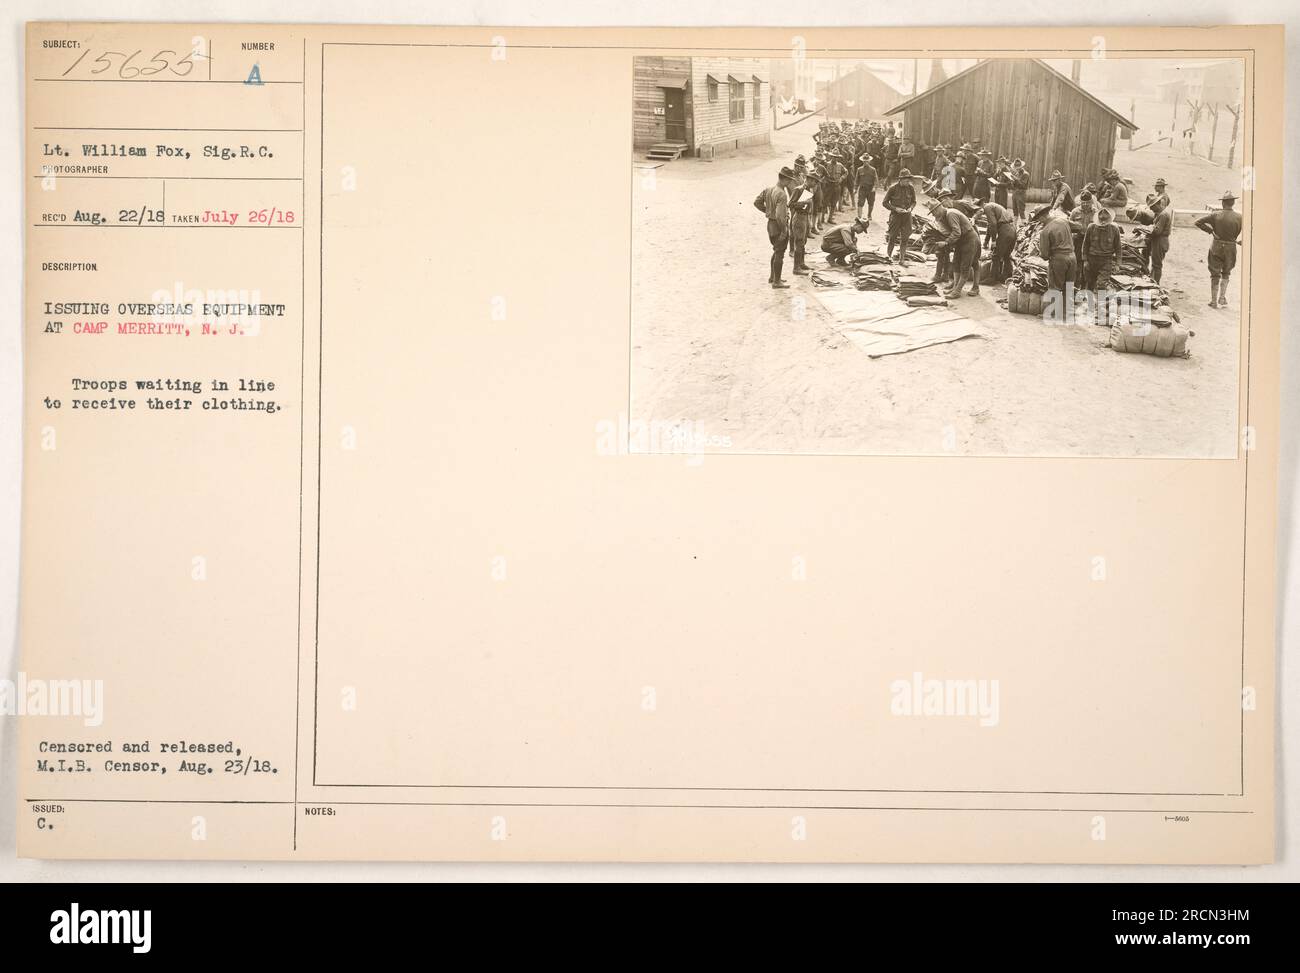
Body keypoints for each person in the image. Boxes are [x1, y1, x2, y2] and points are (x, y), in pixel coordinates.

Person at [1194, 191, 1243, 308]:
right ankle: (1222, 298)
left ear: (1223, 203)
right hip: (1231, 248)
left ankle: (1214, 301)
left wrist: (1211, 232)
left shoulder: (1215, 215)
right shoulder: (1240, 217)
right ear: (1233, 203)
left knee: (1215, 274)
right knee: (1226, 273)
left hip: (1216, 246)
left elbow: (1197, 222)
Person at [927, 196, 981, 298]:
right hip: (961, 241)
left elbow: (957, 232)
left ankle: (960, 291)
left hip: (970, 239)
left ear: (938, 208)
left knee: (967, 265)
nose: (933, 215)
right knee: (956, 263)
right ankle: (955, 286)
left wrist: (946, 242)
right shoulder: (944, 217)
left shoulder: (950, 214)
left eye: (933, 212)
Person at [1037, 206, 1077, 305]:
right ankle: (1066, 313)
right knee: (1069, 287)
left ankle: (1052, 314)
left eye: (1038, 219)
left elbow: (1045, 255)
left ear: (1042, 217)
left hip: (1059, 260)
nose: (1039, 221)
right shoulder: (1063, 221)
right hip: (1072, 257)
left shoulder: (1045, 231)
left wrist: (1040, 253)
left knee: (1054, 287)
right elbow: (1079, 227)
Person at [764, 166, 795, 288]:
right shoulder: (782, 194)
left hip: (770, 224)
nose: (789, 183)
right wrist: (784, 230)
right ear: (784, 179)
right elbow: (780, 216)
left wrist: (767, 212)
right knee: (780, 253)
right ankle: (777, 282)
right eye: (789, 180)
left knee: (776, 250)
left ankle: (773, 277)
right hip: (778, 226)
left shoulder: (770, 189)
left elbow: (757, 202)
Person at [1081, 206, 1122, 299]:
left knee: (1101, 284)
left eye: (1106, 220)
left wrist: (1118, 264)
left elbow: (1118, 247)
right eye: (1101, 219)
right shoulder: (1091, 227)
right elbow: (1085, 245)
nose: (1103, 222)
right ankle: (1089, 303)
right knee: (1090, 282)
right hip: (1092, 259)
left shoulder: (1114, 229)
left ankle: (1101, 304)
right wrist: (1085, 260)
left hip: (1106, 260)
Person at [882, 168, 917, 266]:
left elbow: (914, 201)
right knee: (892, 237)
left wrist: (911, 208)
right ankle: (888, 257)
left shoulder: (911, 188)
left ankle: (902, 259)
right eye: (906, 179)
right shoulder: (893, 188)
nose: (908, 181)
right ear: (900, 179)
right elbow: (884, 203)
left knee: (905, 238)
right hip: (895, 216)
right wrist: (895, 209)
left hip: (907, 216)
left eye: (908, 179)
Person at [981, 200, 1016, 283]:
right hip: (1012, 229)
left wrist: (993, 241)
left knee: (996, 256)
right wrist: (986, 241)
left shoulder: (987, 207)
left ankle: (992, 278)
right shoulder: (993, 206)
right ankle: (1006, 276)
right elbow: (990, 226)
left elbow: (993, 224)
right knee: (1006, 255)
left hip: (1005, 230)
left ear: (981, 205)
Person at [789, 181, 816, 276]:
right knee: (799, 242)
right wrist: (804, 202)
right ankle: (796, 268)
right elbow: (791, 204)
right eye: (814, 181)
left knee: (803, 241)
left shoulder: (809, 190)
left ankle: (801, 263)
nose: (815, 183)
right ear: (809, 179)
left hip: (805, 217)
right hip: (799, 217)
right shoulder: (798, 189)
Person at [1146, 197, 1173, 284]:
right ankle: (1153, 281)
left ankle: (1156, 283)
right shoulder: (1159, 214)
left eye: (1152, 206)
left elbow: (1157, 231)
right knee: (1154, 263)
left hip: (1160, 241)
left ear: (1158, 204)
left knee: (1157, 264)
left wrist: (1147, 230)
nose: (1151, 209)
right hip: (1157, 240)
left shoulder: (1163, 215)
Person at [856, 151, 879, 222]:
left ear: (869, 161)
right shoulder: (859, 169)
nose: (865, 163)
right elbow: (857, 180)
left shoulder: (873, 170)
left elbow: (876, 179)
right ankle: (859, 217)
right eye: (864, 161)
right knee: (860, 202)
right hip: (862, 188)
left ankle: (869, 215)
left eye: (867, 161)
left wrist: (874, 187)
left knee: (871, 202)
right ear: (862, 161)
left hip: (870, 189)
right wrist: (855, 188)